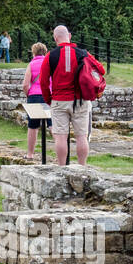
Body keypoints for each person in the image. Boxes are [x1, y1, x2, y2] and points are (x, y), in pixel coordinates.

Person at [40, 25, 91, 166]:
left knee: (60, 138)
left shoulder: (51, 55)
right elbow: (99, 69)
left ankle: (62, 168)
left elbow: (43, 81)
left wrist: (49, 99)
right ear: (69, 36)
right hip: (80, 100)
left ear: (55, 38)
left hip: (59, 99)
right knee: (82, 137)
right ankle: (82, 167)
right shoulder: (83, 53)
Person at [21, 42, 52, 157]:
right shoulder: (49, 63)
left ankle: (30, 154)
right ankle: (62, 154)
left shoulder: (31, 64)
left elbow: (25, 84)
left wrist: (28, 94)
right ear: (45, 52)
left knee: (33, 126)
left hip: (34, 96)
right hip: (48, 96)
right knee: (52, 125)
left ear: (33, 52)